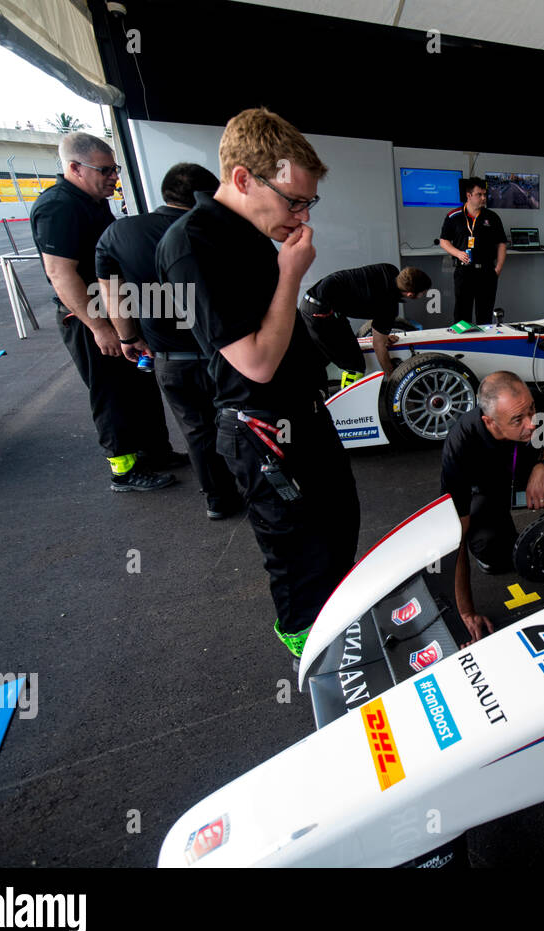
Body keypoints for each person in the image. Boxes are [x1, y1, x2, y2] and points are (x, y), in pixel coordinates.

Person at [157, 108, 359, 657]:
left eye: (308, 203)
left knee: (339, 531)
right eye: (294, 200)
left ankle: (338, 634)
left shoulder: (250, 234)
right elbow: (256, 362)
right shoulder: (192, 244)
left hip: (304, 411)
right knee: (300, 556)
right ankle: (313, 658)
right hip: (262, 426)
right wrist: (292, 274)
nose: (301, 215)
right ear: (244, 178)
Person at [30, 131, 180, 491]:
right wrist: (100, 327)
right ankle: (124, 470)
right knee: (111, 391)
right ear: (75, 168)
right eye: (106, 170)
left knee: (140, 383)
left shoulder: (91, 199)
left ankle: (154, 451)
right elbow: (59, 273)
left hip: (116, 308)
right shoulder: (58, 206)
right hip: (89, 315)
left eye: (115, 168)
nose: (114, 176)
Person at [95, 162, 243, 520]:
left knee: (197, 429)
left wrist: (127, 337)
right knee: (241, 420)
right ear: (204, 196)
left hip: (169, 356)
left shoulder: (119, 233)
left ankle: (218, 500)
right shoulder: (216, 229)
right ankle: (259, 488)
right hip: (225, 354)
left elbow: (112, 293)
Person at [441, 372, 544, 644]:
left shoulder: (529, 403)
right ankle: (497, 548)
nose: (532, 423)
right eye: (518, 420)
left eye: (532, 411)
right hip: (490, 495)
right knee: (495, 554)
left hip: (530, 481)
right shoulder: (461, 443)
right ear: (489, 422)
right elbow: (454, 534)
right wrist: (465, 612)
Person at [301, 263, 431, 376]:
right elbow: (378, 345)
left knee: (331, 353)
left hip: (314, 300)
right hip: (320, 312)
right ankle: (350, 401)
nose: (423, 295)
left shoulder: (389, 269)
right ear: (410, 294)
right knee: (354, 365)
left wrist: (383, 334)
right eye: (423, 293)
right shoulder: (388, 306)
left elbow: (368, 292)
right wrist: (392, 375)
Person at [438, 178, 506, 327]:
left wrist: (498, 268)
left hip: (487, 272)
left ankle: (485, 346)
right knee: (462, 313)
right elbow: (444, 241)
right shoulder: (453, 216)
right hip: (464, 271)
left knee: (485, 314)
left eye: (484, 194)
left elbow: (501, 243)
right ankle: (462, 346)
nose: (483, 198)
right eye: (479, 194)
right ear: (469, 195)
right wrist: (457, 253)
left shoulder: (492, 217)